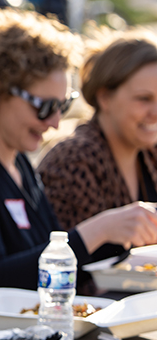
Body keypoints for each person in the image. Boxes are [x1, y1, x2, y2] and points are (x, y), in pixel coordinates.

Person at [0, 5, 157, 332]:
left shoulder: (18, 162)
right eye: (45, 106)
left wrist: (120, 236)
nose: (55, 122)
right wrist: (97, 231)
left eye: (63, 106)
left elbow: (48, 265)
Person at [39, 30, 157, 246]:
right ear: (105, 98)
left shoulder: (150, 152)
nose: (155, 112)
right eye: (144, 99)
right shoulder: (74, 161)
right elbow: (71, 258)